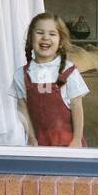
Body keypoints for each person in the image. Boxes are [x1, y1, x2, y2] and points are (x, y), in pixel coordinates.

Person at [10, 12, 88, 147]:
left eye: (52, 34)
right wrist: (31, 138)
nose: (45, 37)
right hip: (38, 145)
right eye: (40, 32)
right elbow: (23, 109)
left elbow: (77, 107)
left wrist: (76, 140)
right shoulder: (21, 75)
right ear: (30, 39)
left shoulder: (69, 72)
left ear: (61, 42)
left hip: (67, 146)